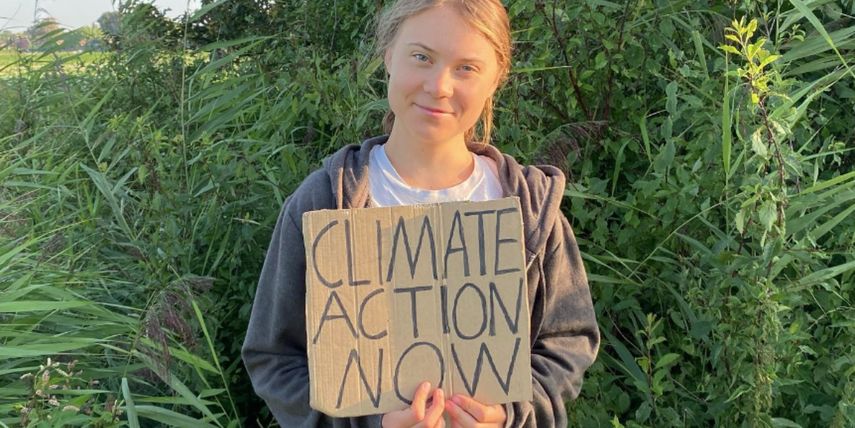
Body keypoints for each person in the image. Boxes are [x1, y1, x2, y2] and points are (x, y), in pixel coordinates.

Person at [241, 0, 600, 426]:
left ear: (496, 78)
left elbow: (568, 342)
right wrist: (365, 423)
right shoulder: (323, 202)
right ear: (389, 53)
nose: (439, 86)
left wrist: (509, 415)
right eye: (422, 57)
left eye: (466, 67)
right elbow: (274, 359)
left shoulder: (527, 206)